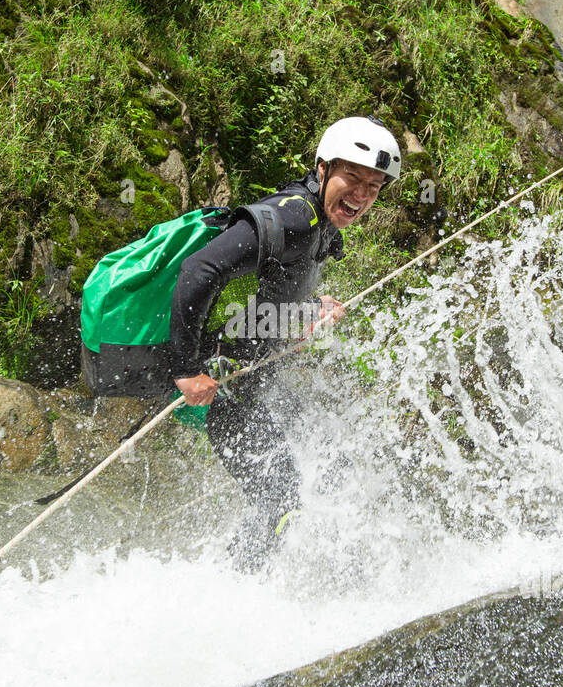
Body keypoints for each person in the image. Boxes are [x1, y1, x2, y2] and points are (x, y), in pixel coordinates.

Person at [166, 116, 402, 568]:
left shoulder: (321, 223)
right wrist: (184, 370)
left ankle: (237, 576)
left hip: (253, 384)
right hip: (225, 390)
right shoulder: (294, 216)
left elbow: (269, 292)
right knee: (282, 497)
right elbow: (199, 271)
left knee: (322, 468)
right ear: (322, 168)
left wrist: (310, 309)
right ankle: (236, 589)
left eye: (373, 186)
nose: (361, 195)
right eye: (351, 176)